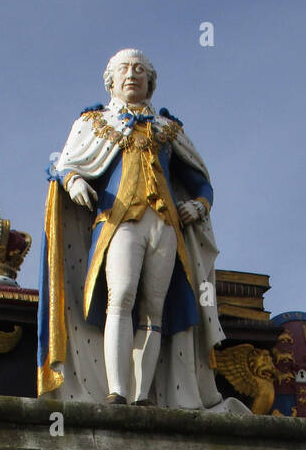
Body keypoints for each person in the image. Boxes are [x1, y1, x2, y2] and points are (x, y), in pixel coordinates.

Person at [37, 49, 227, 409]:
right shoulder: (94, 123)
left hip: (165, 225)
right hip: (119, 220)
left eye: (140, 69)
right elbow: (65, 164)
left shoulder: (168, 129)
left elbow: (201, 181)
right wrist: (73, 179)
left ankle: (142, 395)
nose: (132, 74)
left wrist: (198, 205)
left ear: (150, 82)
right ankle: (117, 390)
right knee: (120, 296)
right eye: (124, 69)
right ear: (111, 80)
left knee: (154, 308)